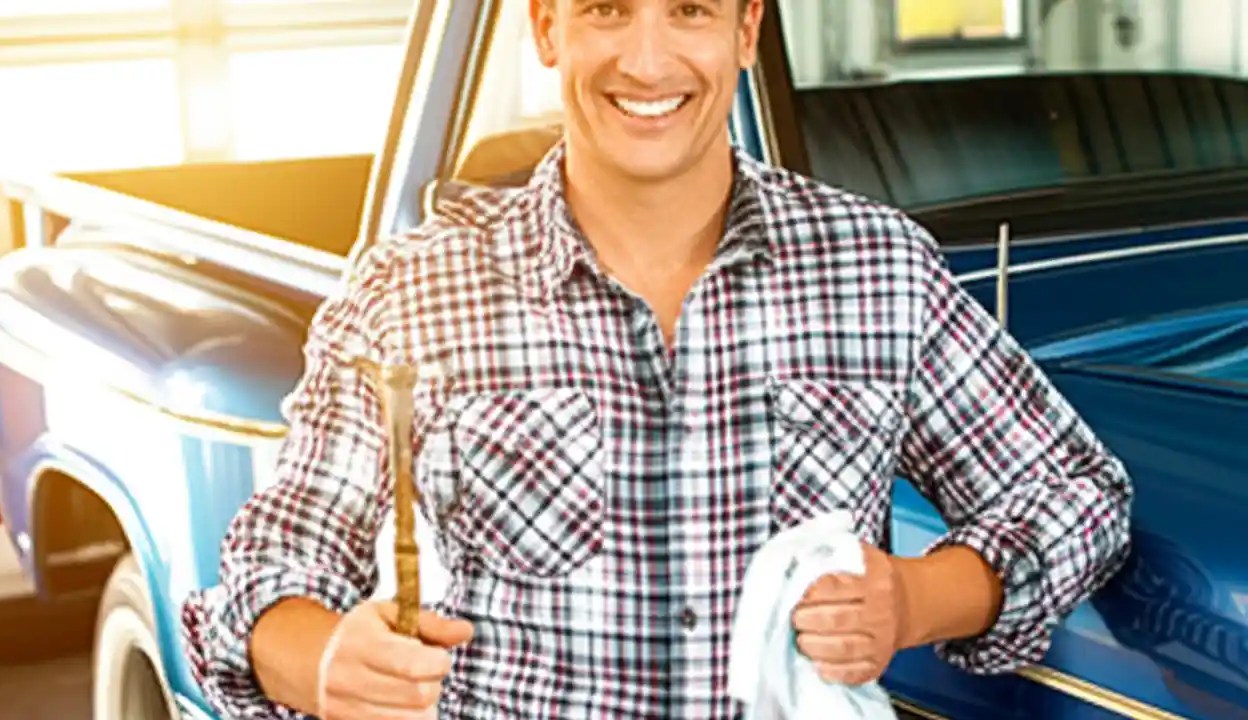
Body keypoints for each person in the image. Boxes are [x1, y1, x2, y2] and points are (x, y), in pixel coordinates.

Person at [181, 0, 1134, 717]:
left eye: (689, 10)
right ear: (547, 27)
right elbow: (275, 564)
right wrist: (319, 661)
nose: (646, 59)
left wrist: (916, 598)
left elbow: (1077, 494)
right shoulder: (413, 290)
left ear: (745, 30)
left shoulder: (876, 267)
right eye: (606, 10)